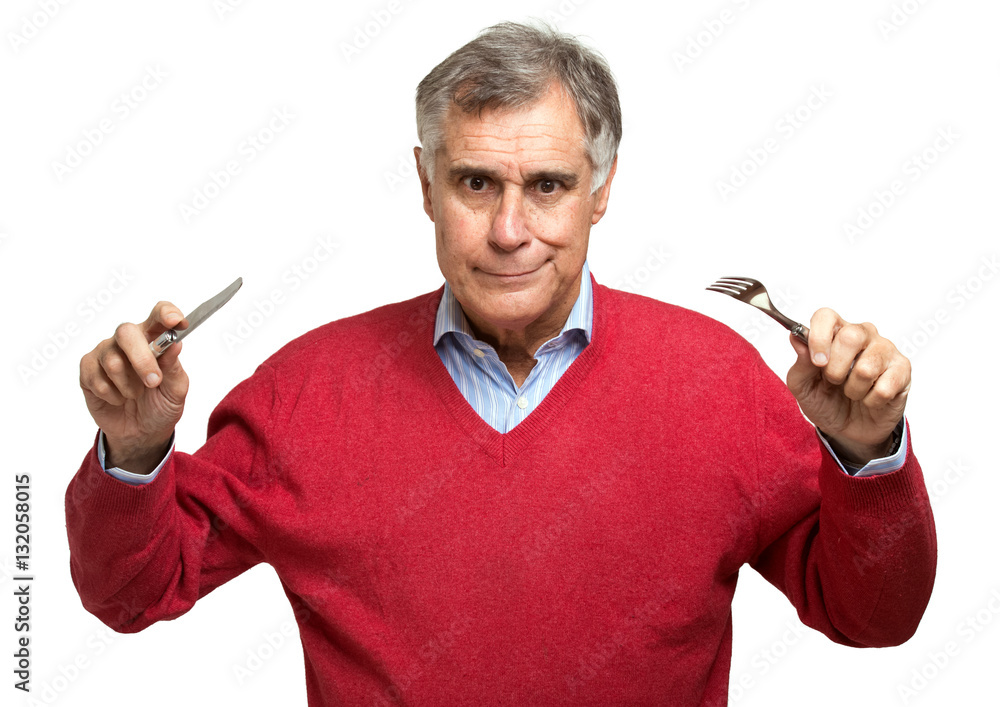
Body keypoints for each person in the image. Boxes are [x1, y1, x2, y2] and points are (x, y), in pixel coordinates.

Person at [66, 21, 936, 706]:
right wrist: (134, 451)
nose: (511, 230)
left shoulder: (717, 382)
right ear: (424, 184)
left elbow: (875, 615)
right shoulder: (307, 392)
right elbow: (133, 592)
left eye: (548, 187)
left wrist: (871, 457)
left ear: (602, 189)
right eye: (477, 183)